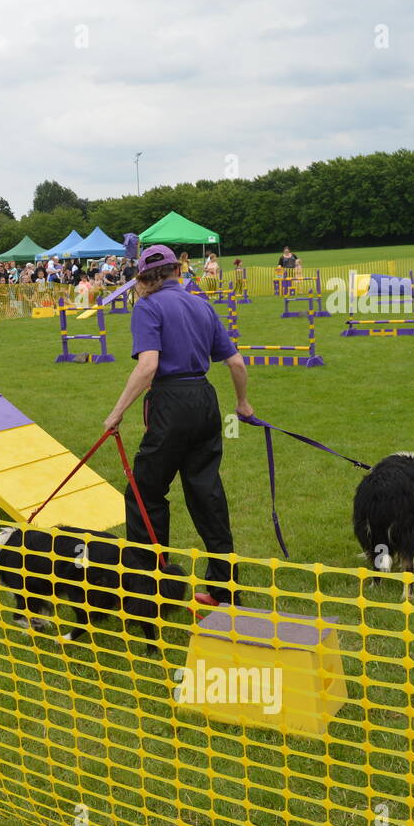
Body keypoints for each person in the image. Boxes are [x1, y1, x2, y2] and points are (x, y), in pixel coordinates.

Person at [101, 244, 254, 608]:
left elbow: (148, 366)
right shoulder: (202, 304)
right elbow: (236, 363)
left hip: (170, 402)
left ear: (145, 279)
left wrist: (117, 412)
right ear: (175, 271)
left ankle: (149, 591)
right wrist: (243, 404)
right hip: (205, 400)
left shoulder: (148, 307)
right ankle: (224, 591)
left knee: (145, 494)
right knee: (207, 494)